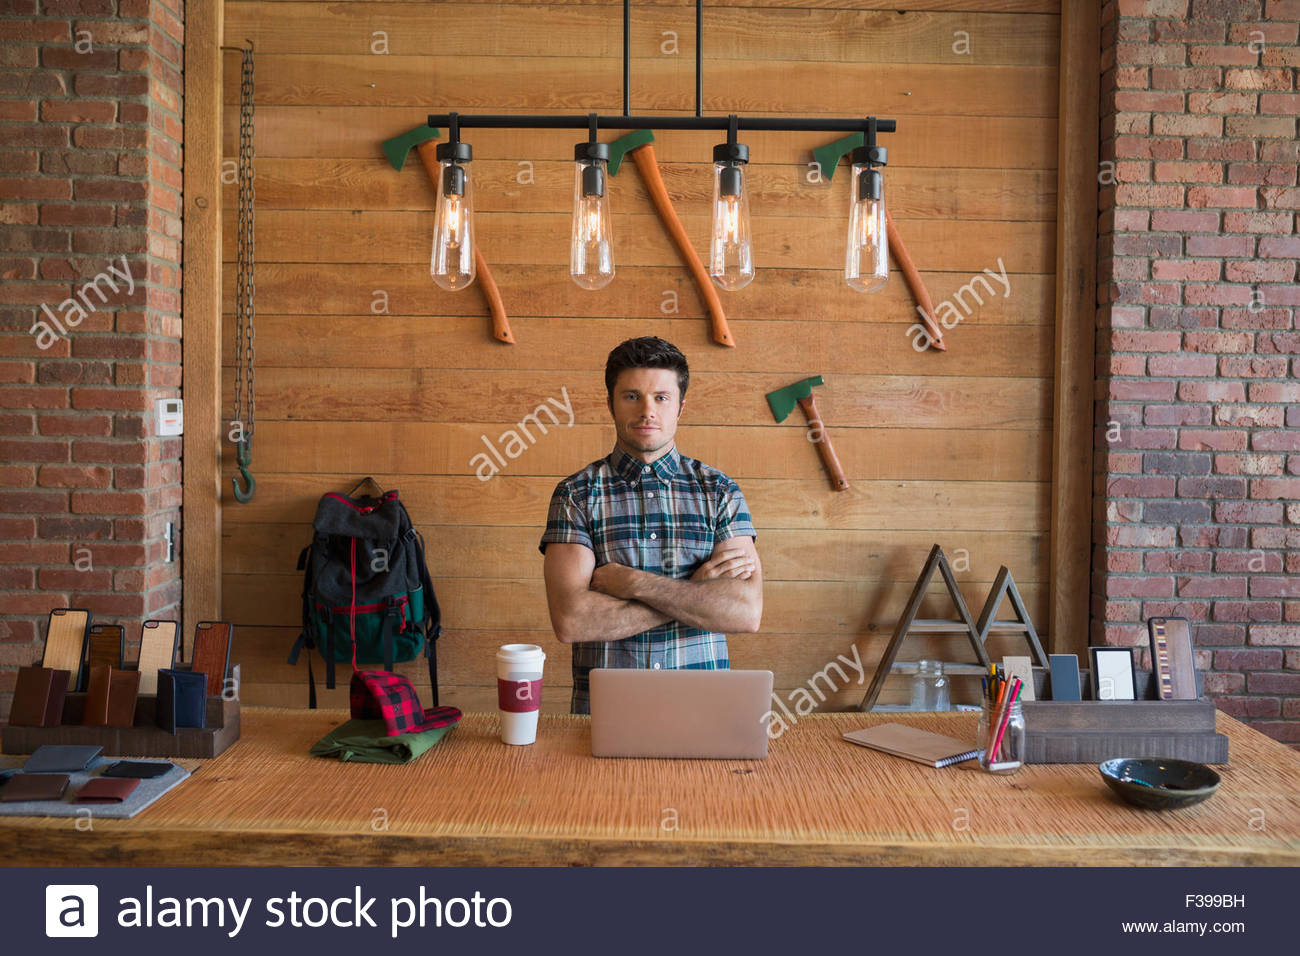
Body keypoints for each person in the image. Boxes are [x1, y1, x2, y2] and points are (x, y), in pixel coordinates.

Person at [538, 336, 763, 714]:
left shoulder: (720, 492)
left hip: (706, 709)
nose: (647, 411)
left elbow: (743, 613)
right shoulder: (575, 495)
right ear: (610, 404)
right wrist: (695, 593)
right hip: (608, 712)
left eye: (661, 397)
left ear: (680, 407)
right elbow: (572, 621)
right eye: (631, 396)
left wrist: (634, 584)